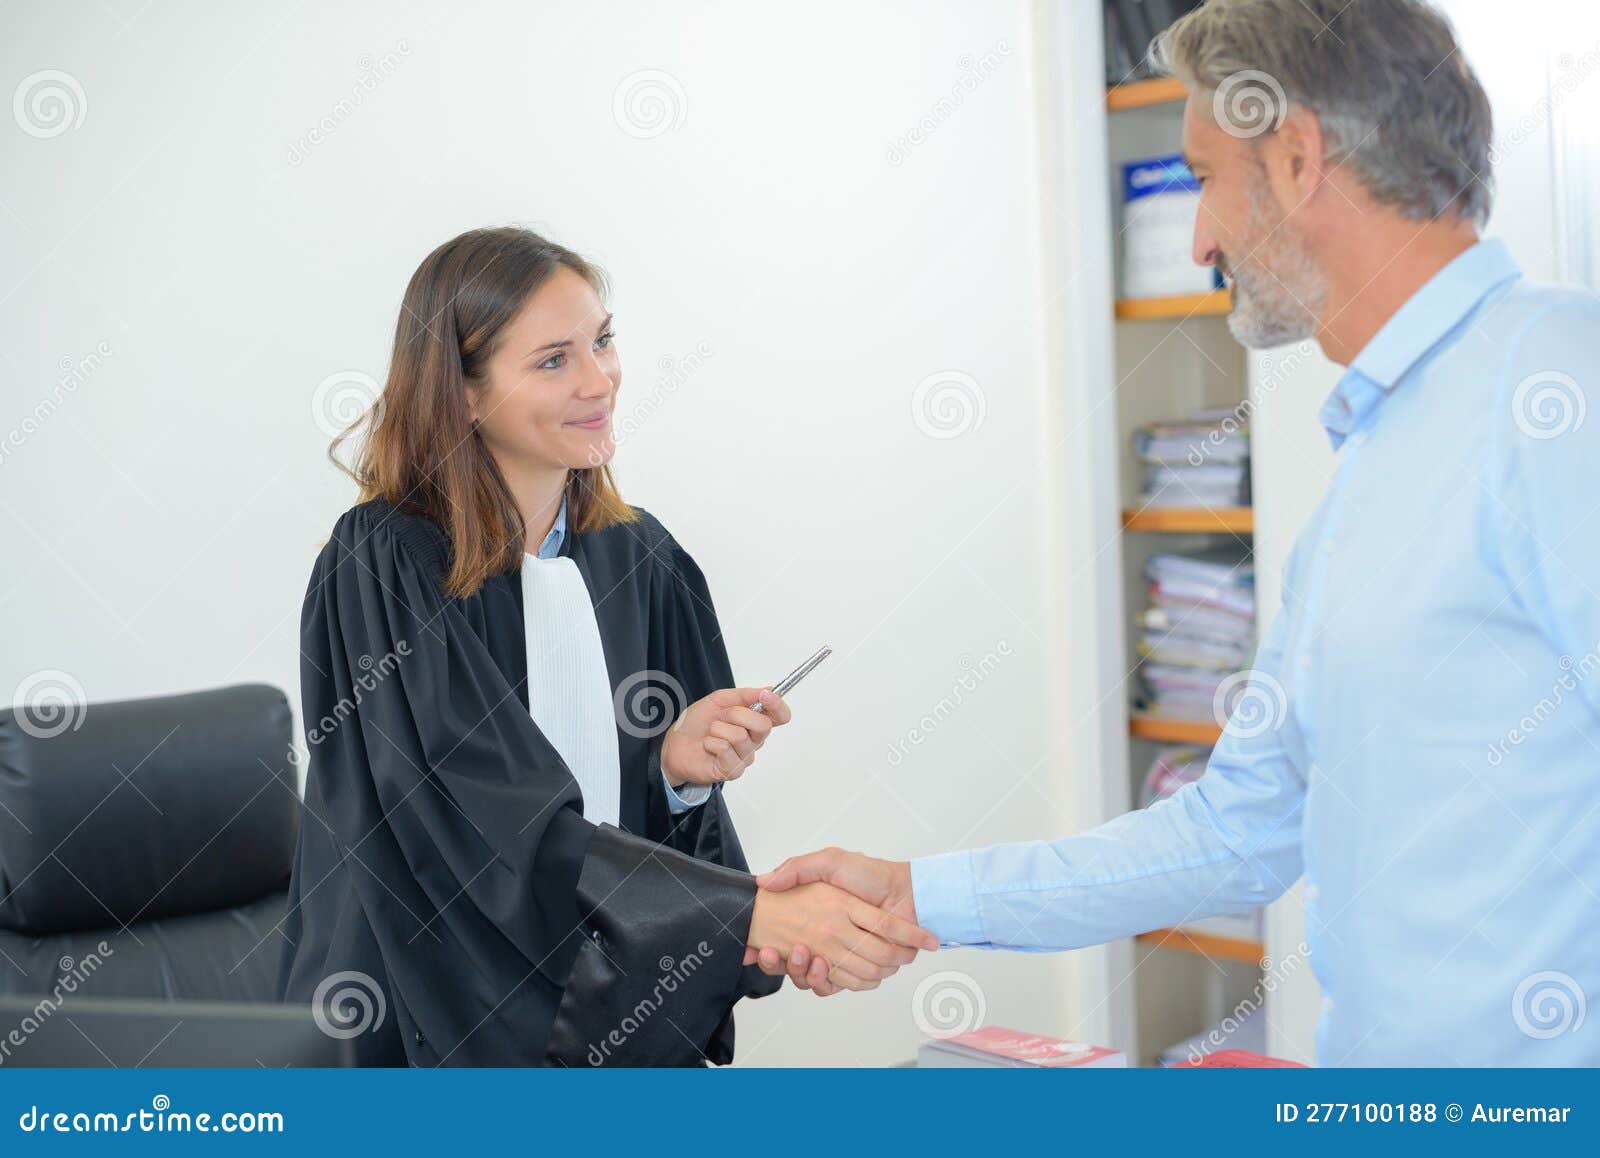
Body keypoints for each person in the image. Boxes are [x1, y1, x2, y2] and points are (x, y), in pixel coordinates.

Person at [754, 0, 1600, 1066]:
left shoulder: (1556, 388)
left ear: (1296, 158)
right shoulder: (1370, 470)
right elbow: (1233, 830)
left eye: (1201, 175)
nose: (1199, 237)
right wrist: (919, 892)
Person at [279, 227, 935, 1066]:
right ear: (464, 394)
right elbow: (475, 822)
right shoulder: (388, 564)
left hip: (599, 1008)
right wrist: (747, 916)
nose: (600, 381)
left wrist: (672, 775)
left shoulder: (640, 559)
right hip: (428, 1017)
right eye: (553, 360)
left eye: (603, 340)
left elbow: (640, 826)